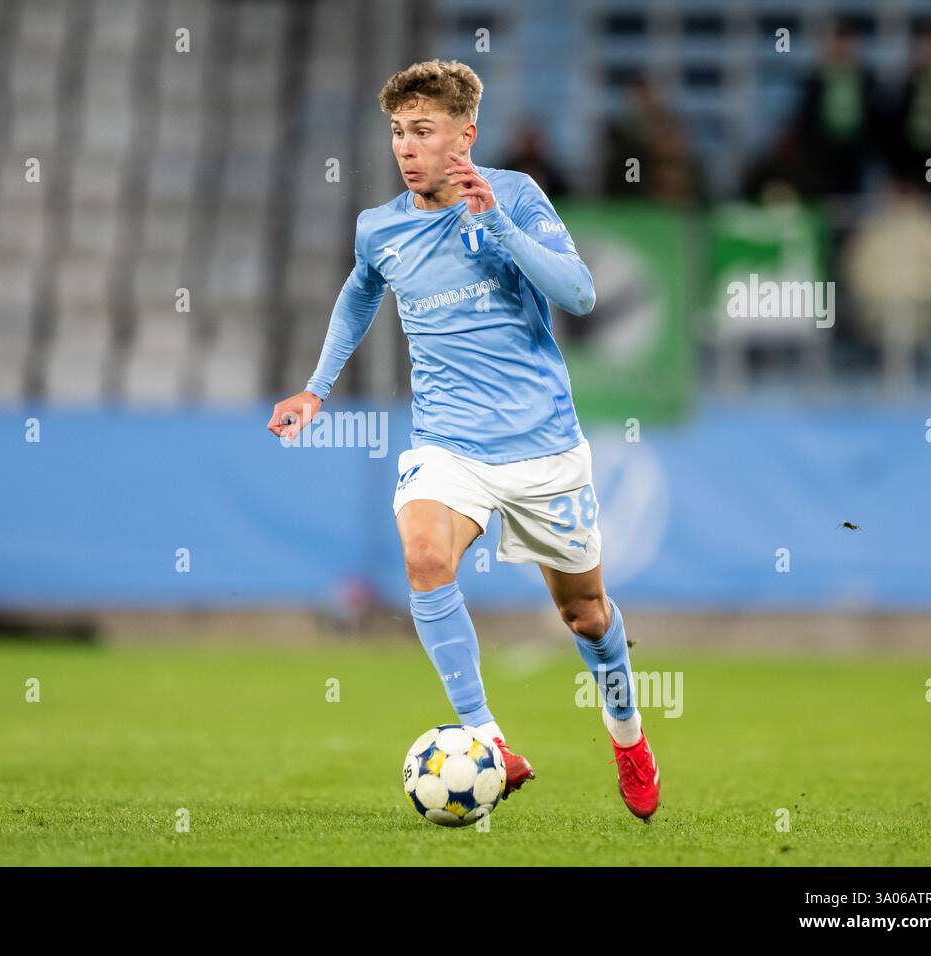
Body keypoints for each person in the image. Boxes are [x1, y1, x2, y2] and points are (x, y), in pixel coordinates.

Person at [266, 60, 659, 819]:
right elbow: (360, 291)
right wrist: (317, 387)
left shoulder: (513, 195)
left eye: (423, 131)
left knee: (588, 617)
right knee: (423, 555)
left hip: (543, 446)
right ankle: (488, 740)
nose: (406, 149)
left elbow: (579, 293)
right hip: (450, 446)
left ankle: (628, 735)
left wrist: (500, 226)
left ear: (463, 138)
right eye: (397, 133)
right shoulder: (380, 227)